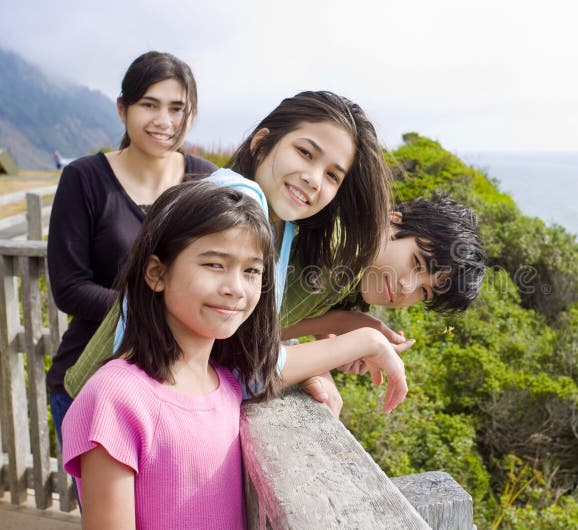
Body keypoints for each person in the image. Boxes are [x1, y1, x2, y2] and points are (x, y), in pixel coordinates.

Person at [61, 182, 408, 530]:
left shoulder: (226, 383)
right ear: (157, 273)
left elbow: (273, 367)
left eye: (251, 271)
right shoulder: (115, 398)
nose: (236, 288)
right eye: (214, 264)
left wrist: (366, 338)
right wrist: (365, 339)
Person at [63, 90, 407, 406]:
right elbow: (250, 367)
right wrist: (364, 342)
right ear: (262, 144)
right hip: (111, 410)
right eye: (305, 153)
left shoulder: (278, 225)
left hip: (132, 403)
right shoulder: (234, 205)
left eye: (333, 175)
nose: (313, 179)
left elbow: (254, 341)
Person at [47, 51, 216, 446]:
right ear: (123, 109)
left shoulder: (205, 180)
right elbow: (70, 288)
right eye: (149, 105)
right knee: (109, 511)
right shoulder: (84, 178)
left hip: (179, 386)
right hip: (91, 378)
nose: (164, 121)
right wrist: (161, 308)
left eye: (177, 108)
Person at [281, 195, 487, 415]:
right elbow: (251, 337)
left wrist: (330, 333)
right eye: (417, 263)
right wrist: (354, 334)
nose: (407, 288)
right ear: (392, 221)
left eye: (424, 291)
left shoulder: (356, 279)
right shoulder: (336, 254)